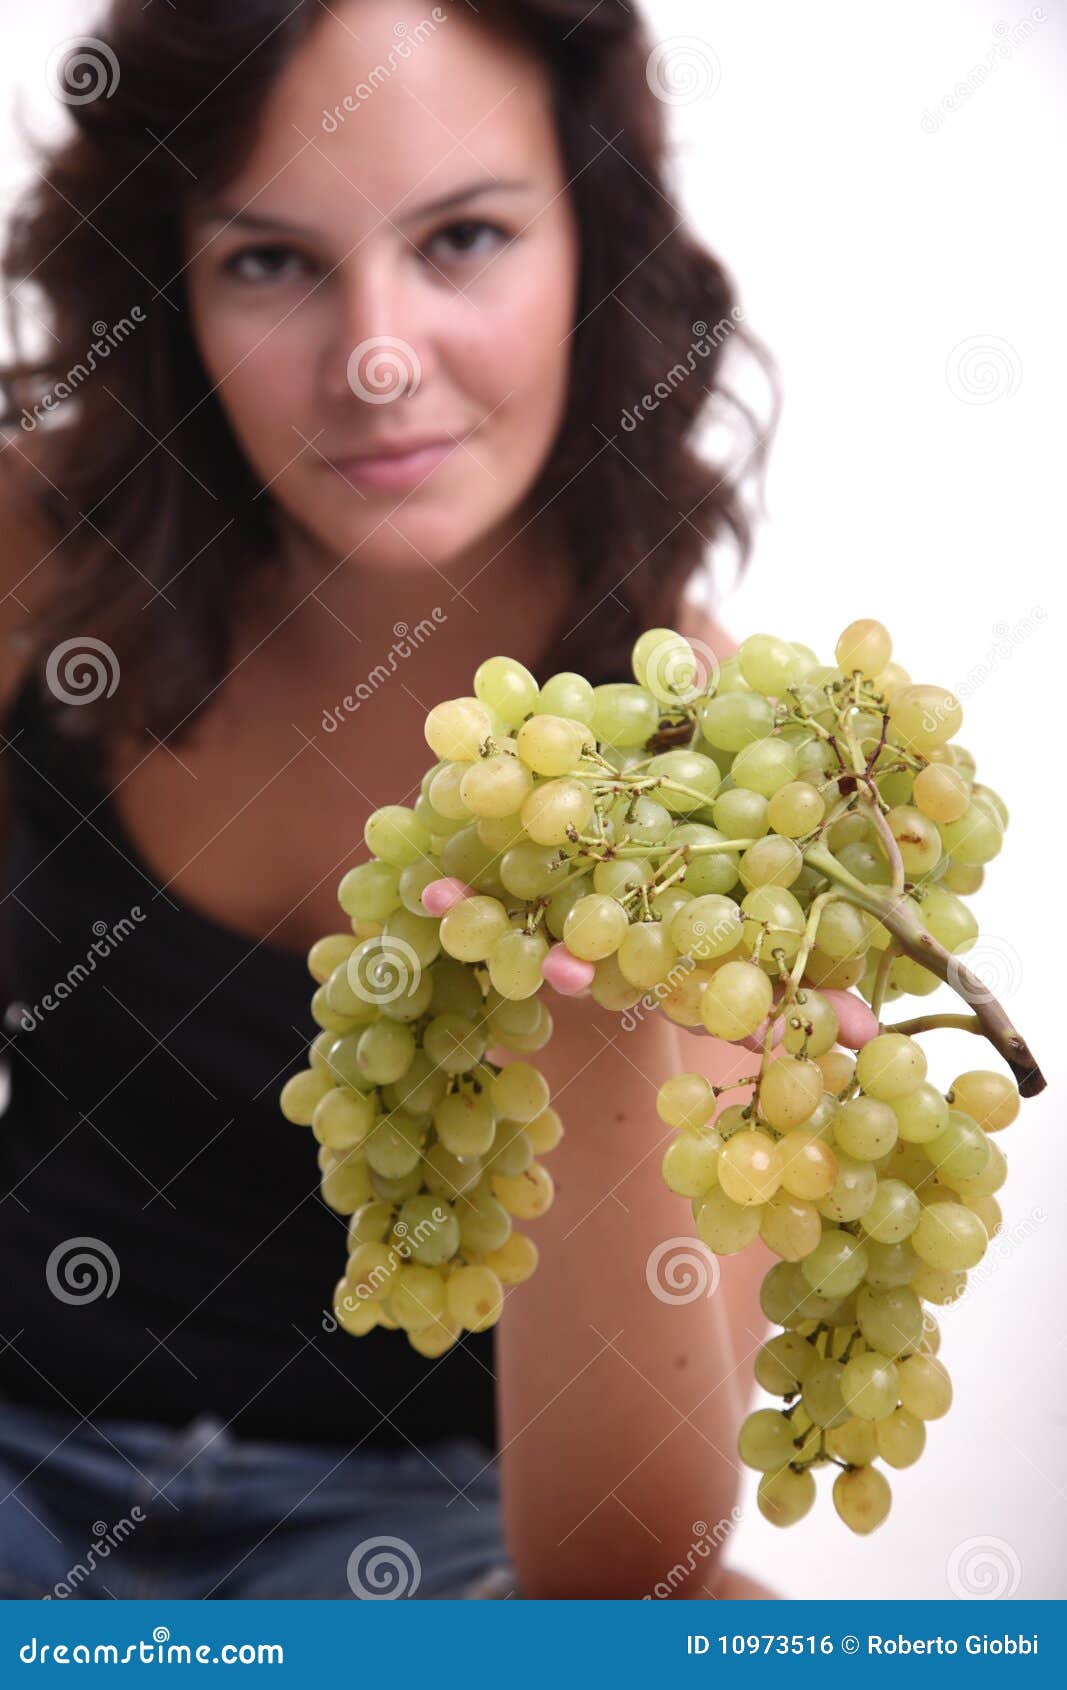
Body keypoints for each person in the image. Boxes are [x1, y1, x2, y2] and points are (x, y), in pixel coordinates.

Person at [0, 0, 779, 1599]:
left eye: (465, 238)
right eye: (269, 260)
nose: (373, 356)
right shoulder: (47, 557)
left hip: (423, 1539)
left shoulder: (729, 772)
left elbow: (627, 1573)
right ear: (174, 286)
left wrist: (601, 1013)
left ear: (593, 241)